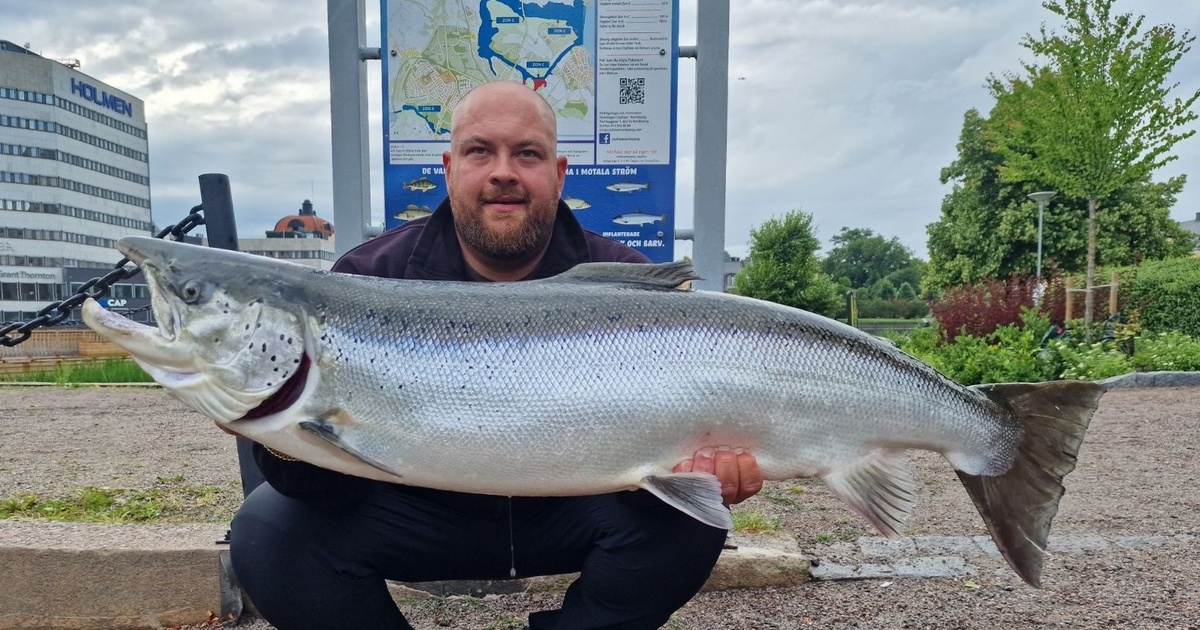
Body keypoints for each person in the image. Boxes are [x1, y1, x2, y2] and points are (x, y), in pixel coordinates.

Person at [230, 80, 763, 630]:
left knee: (692, 519)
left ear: (557, 174)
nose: (503, 171)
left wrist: (702, 469)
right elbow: (318, 489)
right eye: (480, 150)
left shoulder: (627, 287)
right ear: (450, 167)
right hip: (421, 509)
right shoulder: (368, 279)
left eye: (527, 153)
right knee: (269, 529)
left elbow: (669, 450)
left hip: (576, 504)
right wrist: (288, 433)